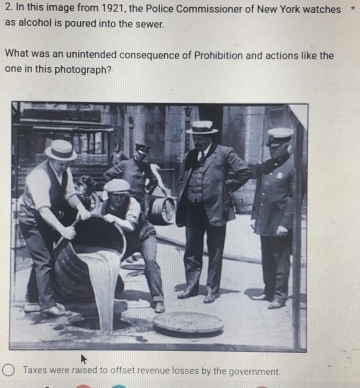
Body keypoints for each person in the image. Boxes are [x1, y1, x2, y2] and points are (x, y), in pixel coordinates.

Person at [176, 121, 251, 303]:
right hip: (193, 209)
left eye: (200, 138)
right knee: (192, 250)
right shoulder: (191, 155)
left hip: (215, 209)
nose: (197, 142)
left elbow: (244, 172)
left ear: (209, 137)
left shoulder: (225, 152)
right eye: (194, 138)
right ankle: (191, 287)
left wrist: (225, 188)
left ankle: (212, 289)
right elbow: (183, 177)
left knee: (215, 251)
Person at [18, 140, 91, 317]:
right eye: (61, 164)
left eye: (67, 164)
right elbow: (43, 209)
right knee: (44, 260)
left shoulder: (65, 171)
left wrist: (81, 207)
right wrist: (62, 229)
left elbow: (70, 194)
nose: (64, 167)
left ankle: (32, 300)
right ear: (51, 158)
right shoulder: (39, 176)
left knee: (43, 258)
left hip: (45, 215)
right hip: (31, 217)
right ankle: (47, 304)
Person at [250, 127, 305, 309]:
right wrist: (254, 215)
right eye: (270, 148)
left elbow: (294, 198)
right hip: (265, 219)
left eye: (275, 148)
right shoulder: (266, 165)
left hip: (280, 221)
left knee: (280, 259)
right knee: (266, 257)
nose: (271, 151)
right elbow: (259, 192)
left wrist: (285, 224)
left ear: (286, 146)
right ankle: (268, 291)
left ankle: (280, 295)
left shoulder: (294, 166)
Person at [96, 179, 165, 313]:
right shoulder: (104, 206)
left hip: (144, 236)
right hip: (126, 240)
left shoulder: (133, 203)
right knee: (109, 261)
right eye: (116, 195)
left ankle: (158, 299)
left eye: (123, 195)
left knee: (150, 263)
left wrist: (114, 218)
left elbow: (130, 226)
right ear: (109, 195)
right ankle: (117, 284)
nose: (120, 198)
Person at [104, 143, 158, 211]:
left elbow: (154, 180)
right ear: (135, 152)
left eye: (144, 155)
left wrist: (148, 192)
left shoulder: (145, 167)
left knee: (141, 218)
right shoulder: (125, 164)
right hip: (126, 200)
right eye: (140, 154)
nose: (141, 157)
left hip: (140, 199)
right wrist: (116, 188)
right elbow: (107, 175)